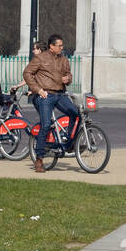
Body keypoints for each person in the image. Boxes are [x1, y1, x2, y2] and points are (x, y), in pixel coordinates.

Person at [24, 34, 75, 173]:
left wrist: (68, 79)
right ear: (51, 46)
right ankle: (39, 159)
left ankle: (70, 143)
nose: (61, 47)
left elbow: (69, 74)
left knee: (75, 113)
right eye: (59, 45)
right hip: (45, 95)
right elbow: (27, 73)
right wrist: (37, 90)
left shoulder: (64, 60)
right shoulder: (40, 58)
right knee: (46, 124)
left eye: (62, 45)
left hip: (60, 94)